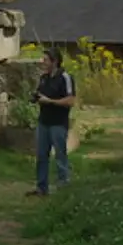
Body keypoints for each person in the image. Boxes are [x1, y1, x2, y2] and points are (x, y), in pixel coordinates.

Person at [28, 48, 76, 196]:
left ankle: (63, 186)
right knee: (41, 156)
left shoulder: (65, 78)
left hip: (58, 123)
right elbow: (41, 93)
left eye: (45, 60)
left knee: (60, 156)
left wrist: (50, 101)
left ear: (54, 62)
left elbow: (70, 100)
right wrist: (36, 97)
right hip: (43, 122)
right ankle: (41, 188)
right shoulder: (44, 78)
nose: (43, 62)